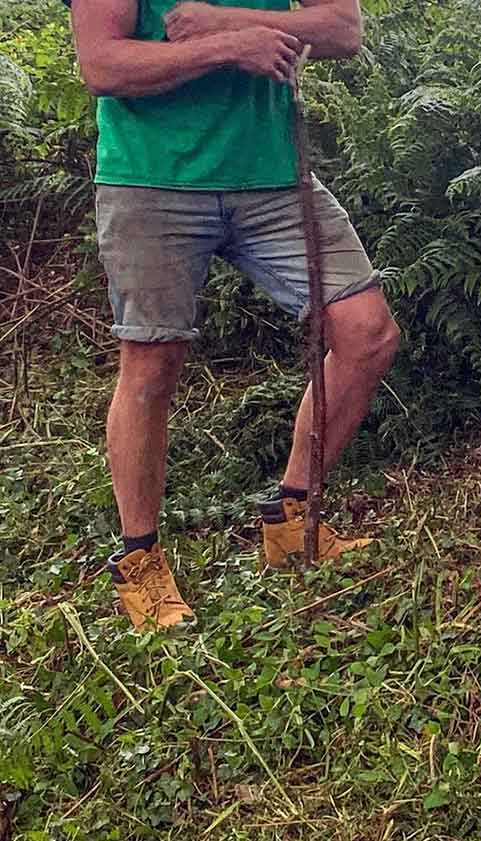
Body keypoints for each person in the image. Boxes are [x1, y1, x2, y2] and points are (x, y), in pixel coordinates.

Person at [66, 0, 400, 629]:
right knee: (152, 363)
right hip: (150, 180)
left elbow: (343, 29)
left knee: (368, 333)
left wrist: (224, 24)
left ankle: (292, 518)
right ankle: (140, 560)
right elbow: (103, 64)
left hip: (272, 176)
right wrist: (225, 50)